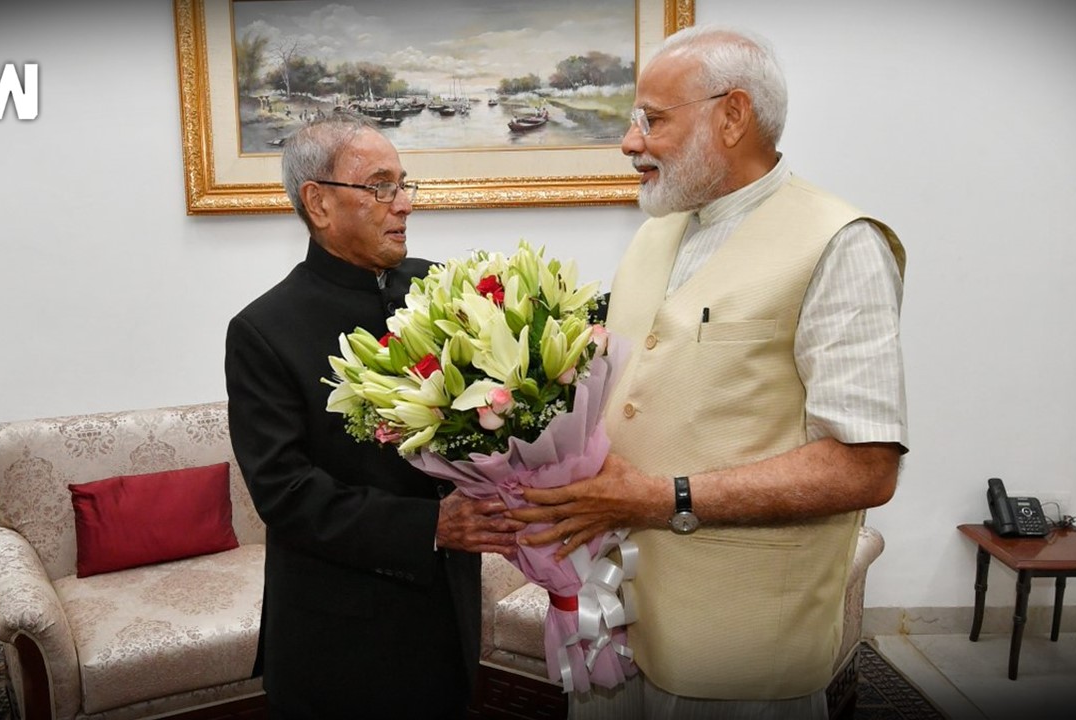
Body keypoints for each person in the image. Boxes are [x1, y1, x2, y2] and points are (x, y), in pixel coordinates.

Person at [511, 24, 908, 720]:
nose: (630, 142)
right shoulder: (655, 232)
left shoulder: (841, 244)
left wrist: (663, 497)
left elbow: (865, 469)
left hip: (740, 648)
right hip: (618, 618)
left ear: (733, 115)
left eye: (652, 120)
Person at [225, 113, 522, 719]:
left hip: (449, 613)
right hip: (338, 635)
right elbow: (285, 493)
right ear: (319, 203)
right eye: (382, 186)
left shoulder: (441, 290)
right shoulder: (263, 330)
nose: (405, 203)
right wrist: (430, 527)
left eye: (405, 183)